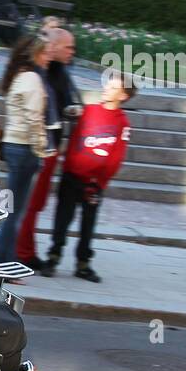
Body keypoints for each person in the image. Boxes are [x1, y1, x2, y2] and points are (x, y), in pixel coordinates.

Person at [43, 70, 134, 282]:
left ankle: (83, 263)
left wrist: (99, 182)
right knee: (62, 219)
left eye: (113, 87)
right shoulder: (88, 111)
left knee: (88, 223)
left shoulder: (122, 123)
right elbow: (75, 140)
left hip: (93, 183)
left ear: (123, 95)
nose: (106, 88)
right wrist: (67, 166)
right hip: (72, 176)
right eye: (107, 85)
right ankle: (53, 256)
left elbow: (116, 156)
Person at [16, 23, 83, 267]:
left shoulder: (58, 72)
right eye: (68, 47)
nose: (71, 52)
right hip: (37, 146)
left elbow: (61, 104)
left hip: (47, 146)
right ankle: (22, 253)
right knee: (29, 202)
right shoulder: (38, 71)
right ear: (52, 47)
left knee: (36, 202)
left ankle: (25, 250)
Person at [0, 32, 52, 267]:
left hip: (15, 147)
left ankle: (1, 259)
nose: (48, 57)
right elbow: (34, 118)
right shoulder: (32, 80)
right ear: (34, 54)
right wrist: (41, 148)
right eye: (44, 53)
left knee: (11, 206)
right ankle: (3, 263)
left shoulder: (18, 76)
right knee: (15, 211)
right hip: (25, 149)